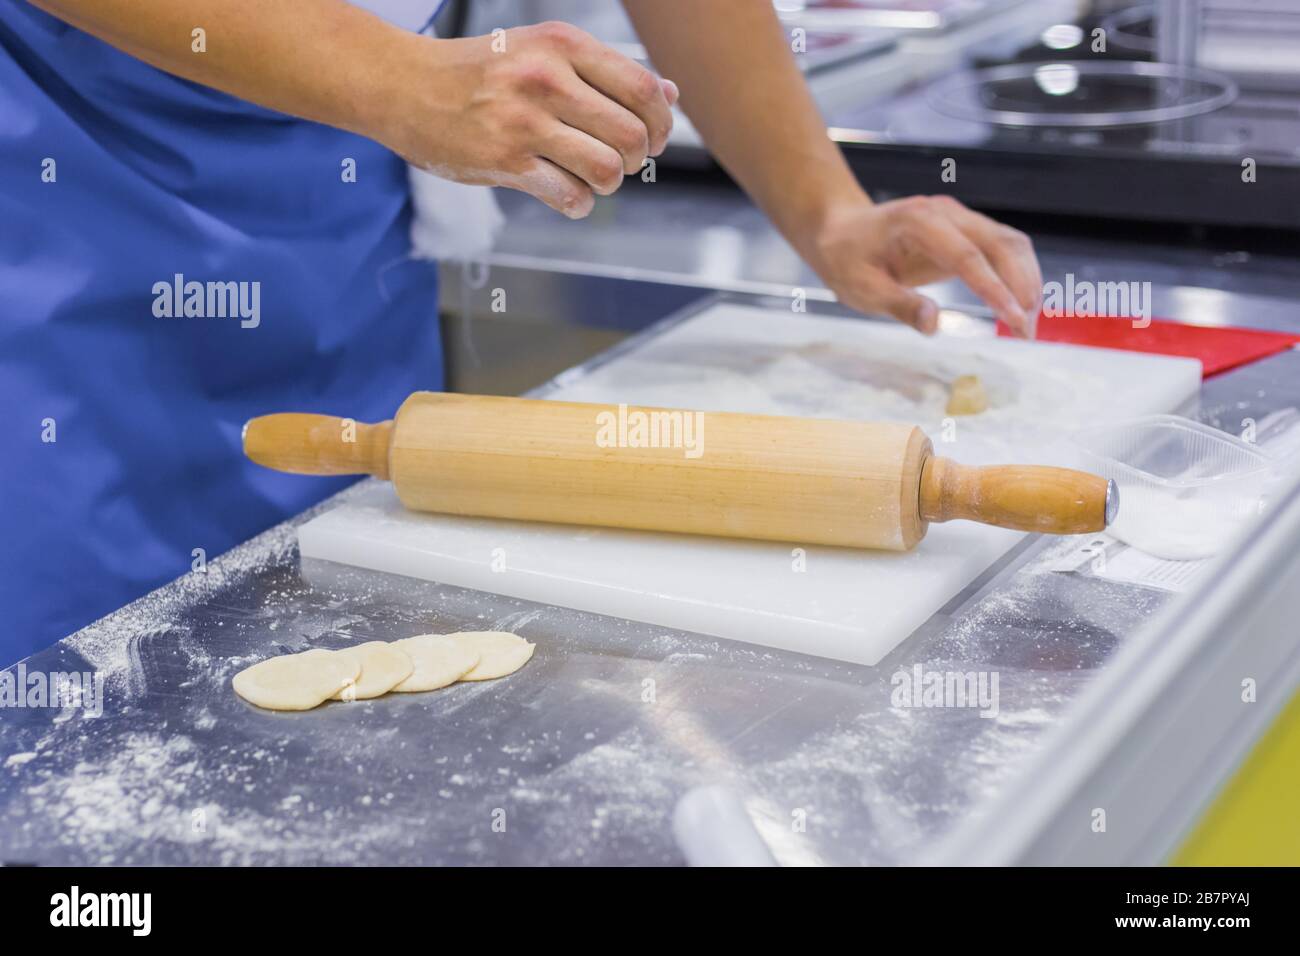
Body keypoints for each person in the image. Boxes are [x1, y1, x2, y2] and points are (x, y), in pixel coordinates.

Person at [1, 0, 1042, 664]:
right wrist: (398, 79)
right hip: (82, 194)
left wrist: (825, 209)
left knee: (352, 614)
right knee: (80, 710)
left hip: (341, 209)